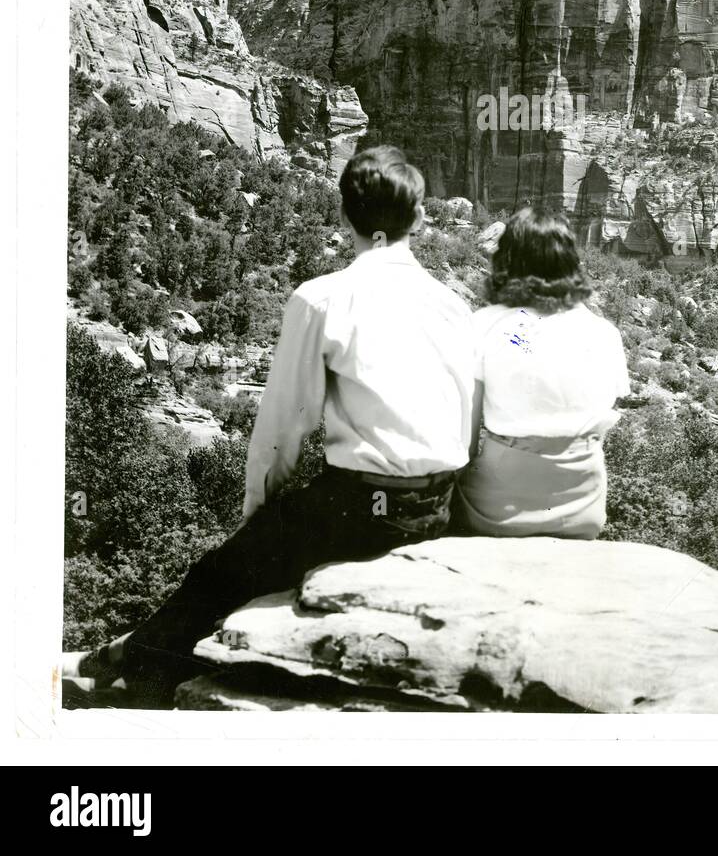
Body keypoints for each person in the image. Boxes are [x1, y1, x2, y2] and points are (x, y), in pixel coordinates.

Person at [64, 146, 474, 706]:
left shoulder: (323, 298)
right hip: (438, 508)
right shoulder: (454, 304)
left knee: (219, 573)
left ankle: (134, 677)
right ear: (421, 216)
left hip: (362, 512)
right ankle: (123, 658)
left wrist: (257, 516)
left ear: (344, 215)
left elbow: (285, 424)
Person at [453, 205, 629, 540]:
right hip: (583, 508)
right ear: (569, 261)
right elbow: (599, 422)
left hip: (496, 508)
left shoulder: (483, 324)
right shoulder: (604, 333)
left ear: (508, 260)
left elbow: (466, 439)